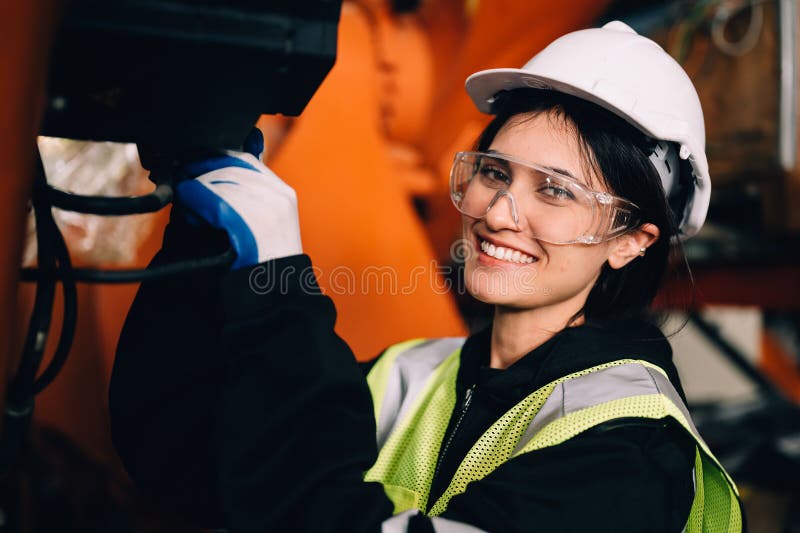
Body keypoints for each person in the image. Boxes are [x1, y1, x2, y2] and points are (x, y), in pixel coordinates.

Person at [109, 21, 742, 532]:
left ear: (630, 241)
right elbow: (195, 465)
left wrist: (280, 293)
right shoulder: (413, 375)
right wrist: (207, 236)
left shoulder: (630, 451)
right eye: (495, 173)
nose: (498, 214)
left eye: (555, 191)